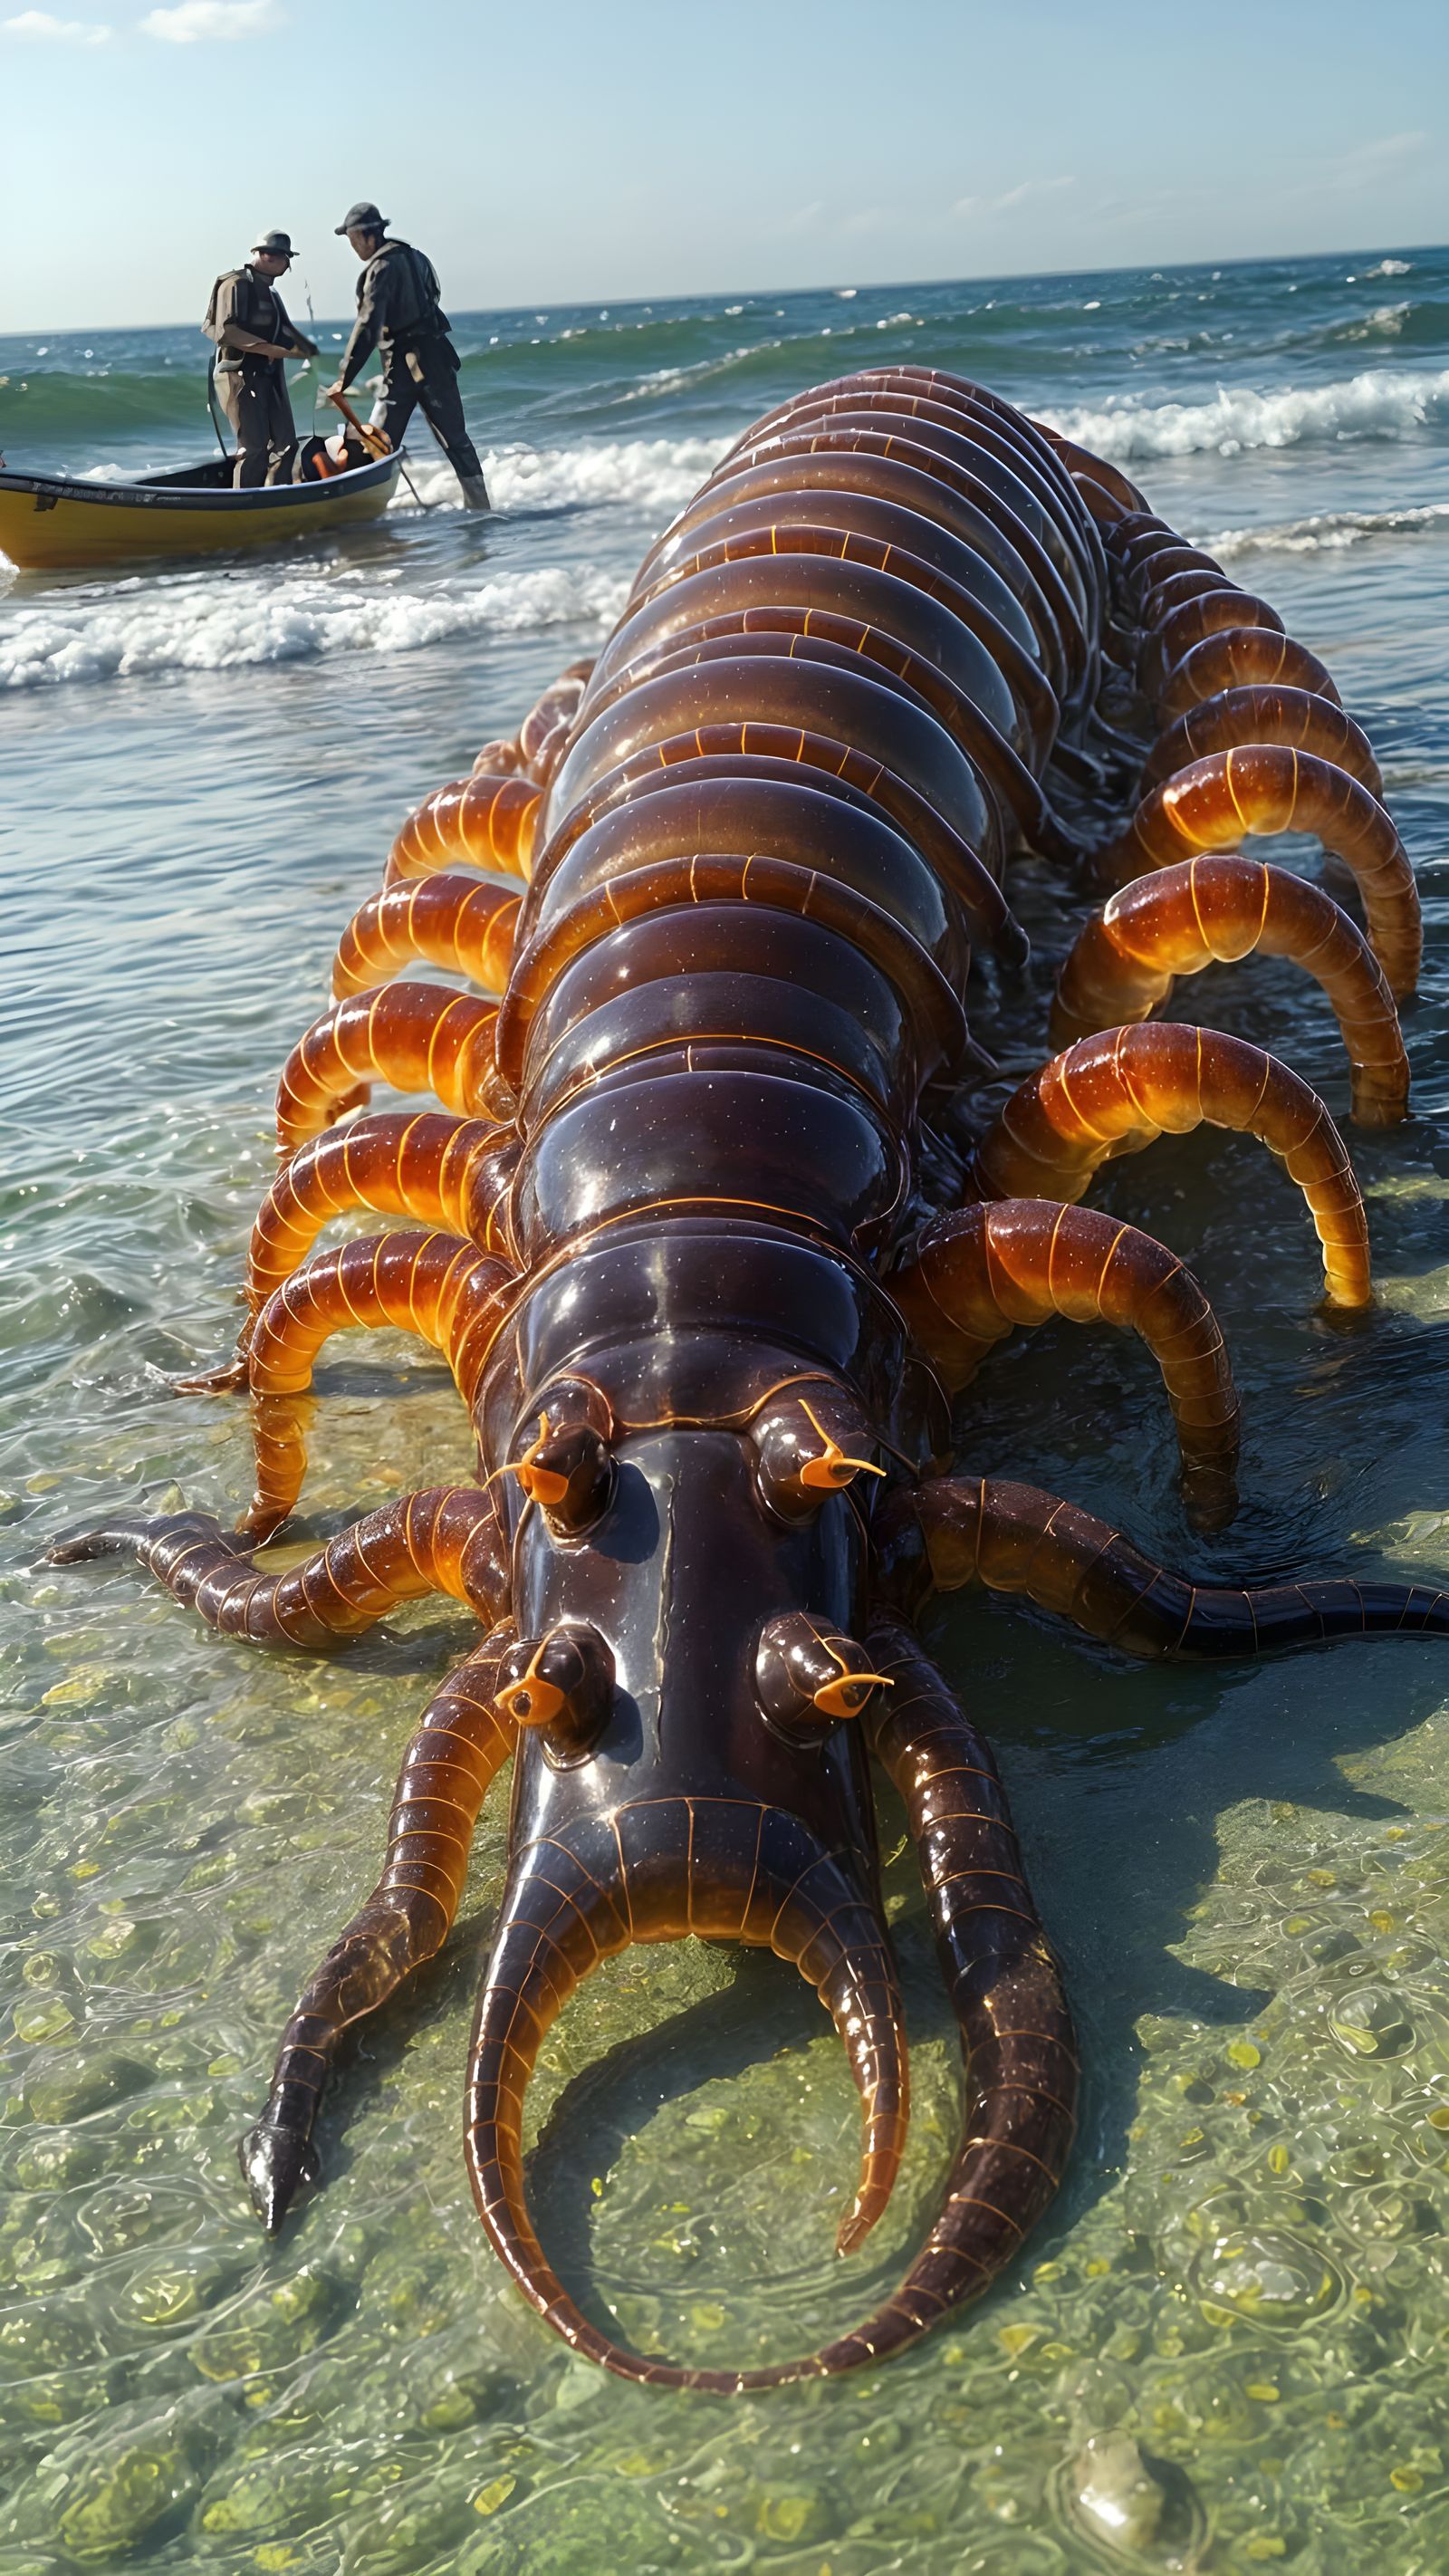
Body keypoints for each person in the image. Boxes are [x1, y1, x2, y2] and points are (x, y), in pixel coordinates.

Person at [322, 202, 490, 510]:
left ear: (366, 235)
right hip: (437, 358)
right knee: (456, 440)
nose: (353, 246)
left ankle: (359, 512)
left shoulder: (380, 269)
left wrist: (343, 378)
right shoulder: (417, 257)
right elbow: (433, 296)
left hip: (402, 367)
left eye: (352, 239)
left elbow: (368, 326)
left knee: (377, 443)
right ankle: (481, 509)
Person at [203, 230, 318, 488]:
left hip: (269, 377)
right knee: (253, 448)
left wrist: (312, 351)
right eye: (285, 258)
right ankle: (243, 503)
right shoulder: (234, 283)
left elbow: (286, 331)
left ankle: (278, 496)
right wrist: (268, 349)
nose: (287, 264)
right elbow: (226, 331)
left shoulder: (271, 293)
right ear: (267, 255)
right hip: (240, 376)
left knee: (286, 445)